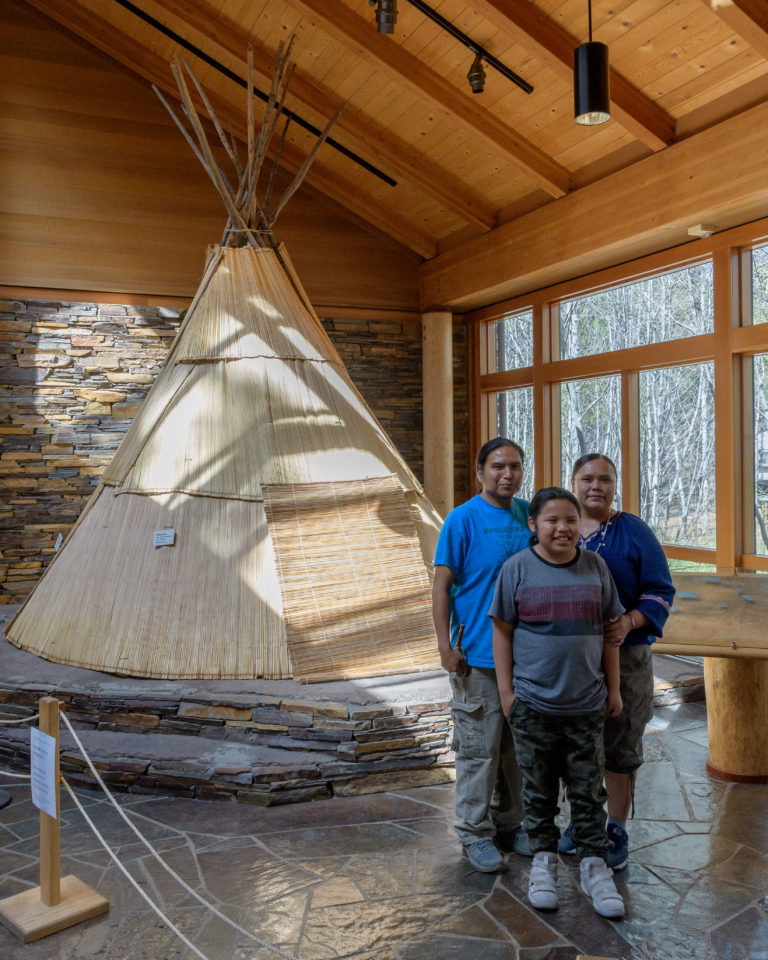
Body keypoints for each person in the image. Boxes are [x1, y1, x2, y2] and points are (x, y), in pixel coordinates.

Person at [489, 487, 625, 919]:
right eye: (552, 520)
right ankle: (543, 862)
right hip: (532, 705)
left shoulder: (596, 567)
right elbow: (502, 633)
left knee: (588, 792)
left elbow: (610, 633)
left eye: (570, 520)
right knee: (538, 792)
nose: (562, 528)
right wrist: (507, 694)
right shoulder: (516, 570)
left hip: (586, 705)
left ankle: (593, 865)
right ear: (534, 525)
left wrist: (615, 690)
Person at [559, 452, 675, 871]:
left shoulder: (633, 532)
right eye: (587, 478)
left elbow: (661, 591)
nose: (596, 486)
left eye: (604, 479)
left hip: (626, 658)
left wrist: (629, 620)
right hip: (572, 661)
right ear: (573, 483)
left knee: (620, 744)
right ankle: (581, 821)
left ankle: (615, 828)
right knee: (577, 745)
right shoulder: (559, 527)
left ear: (615, 485)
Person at [433, 437, 531, 872]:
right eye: (497, 466)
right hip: (478, 657)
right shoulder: (462, 520)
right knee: (479, 749)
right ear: (479, 473)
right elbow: (441, 586)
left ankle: (511, 823)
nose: (507, 474)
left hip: (528, 656)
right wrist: (443, 645)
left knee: (516, 748)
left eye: (515, 466)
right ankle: (474, 832)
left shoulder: (529, 514)